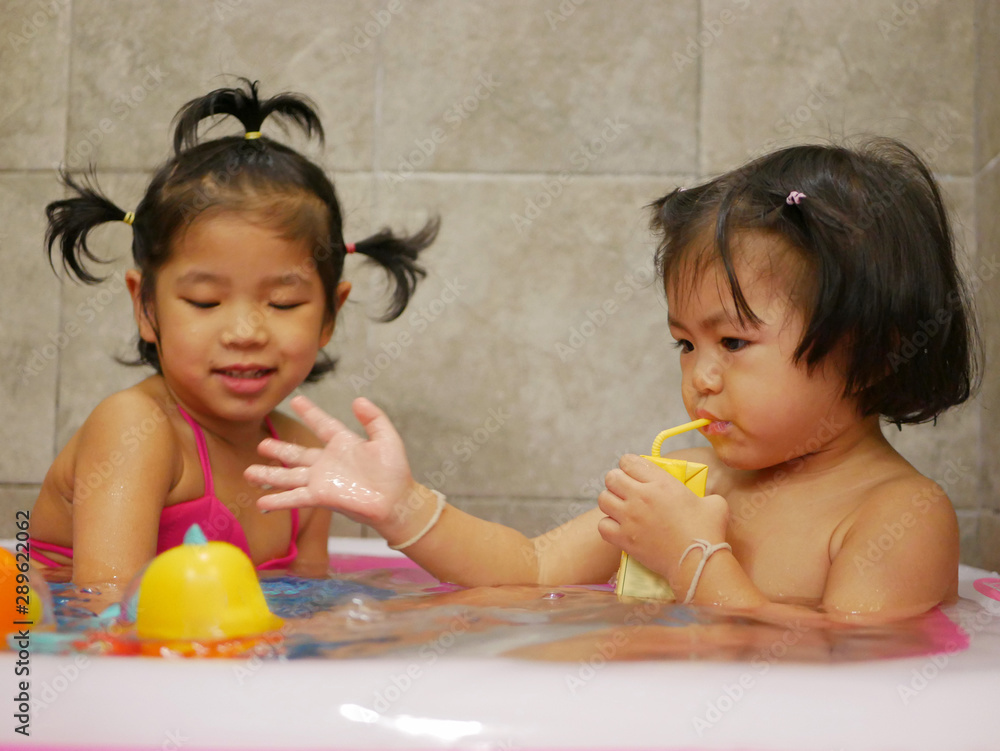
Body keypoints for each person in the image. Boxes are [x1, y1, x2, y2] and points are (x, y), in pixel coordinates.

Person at [246, 138, 979, 621]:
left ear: (874, 351)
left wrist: (694, 560)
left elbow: (857, 673)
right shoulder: (693, 483)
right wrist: (403, 507)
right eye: (684, 345)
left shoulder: (899, 514)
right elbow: (527, 567)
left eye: (733, 340)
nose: (702, 377)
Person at [29, 79, 438, 586]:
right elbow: (108, 616)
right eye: (205, 301)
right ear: (145, 306)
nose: (245, 332)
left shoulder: (301, 454)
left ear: (330, 315)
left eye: (284, 302)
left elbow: (313, 612)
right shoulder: (136, 431)